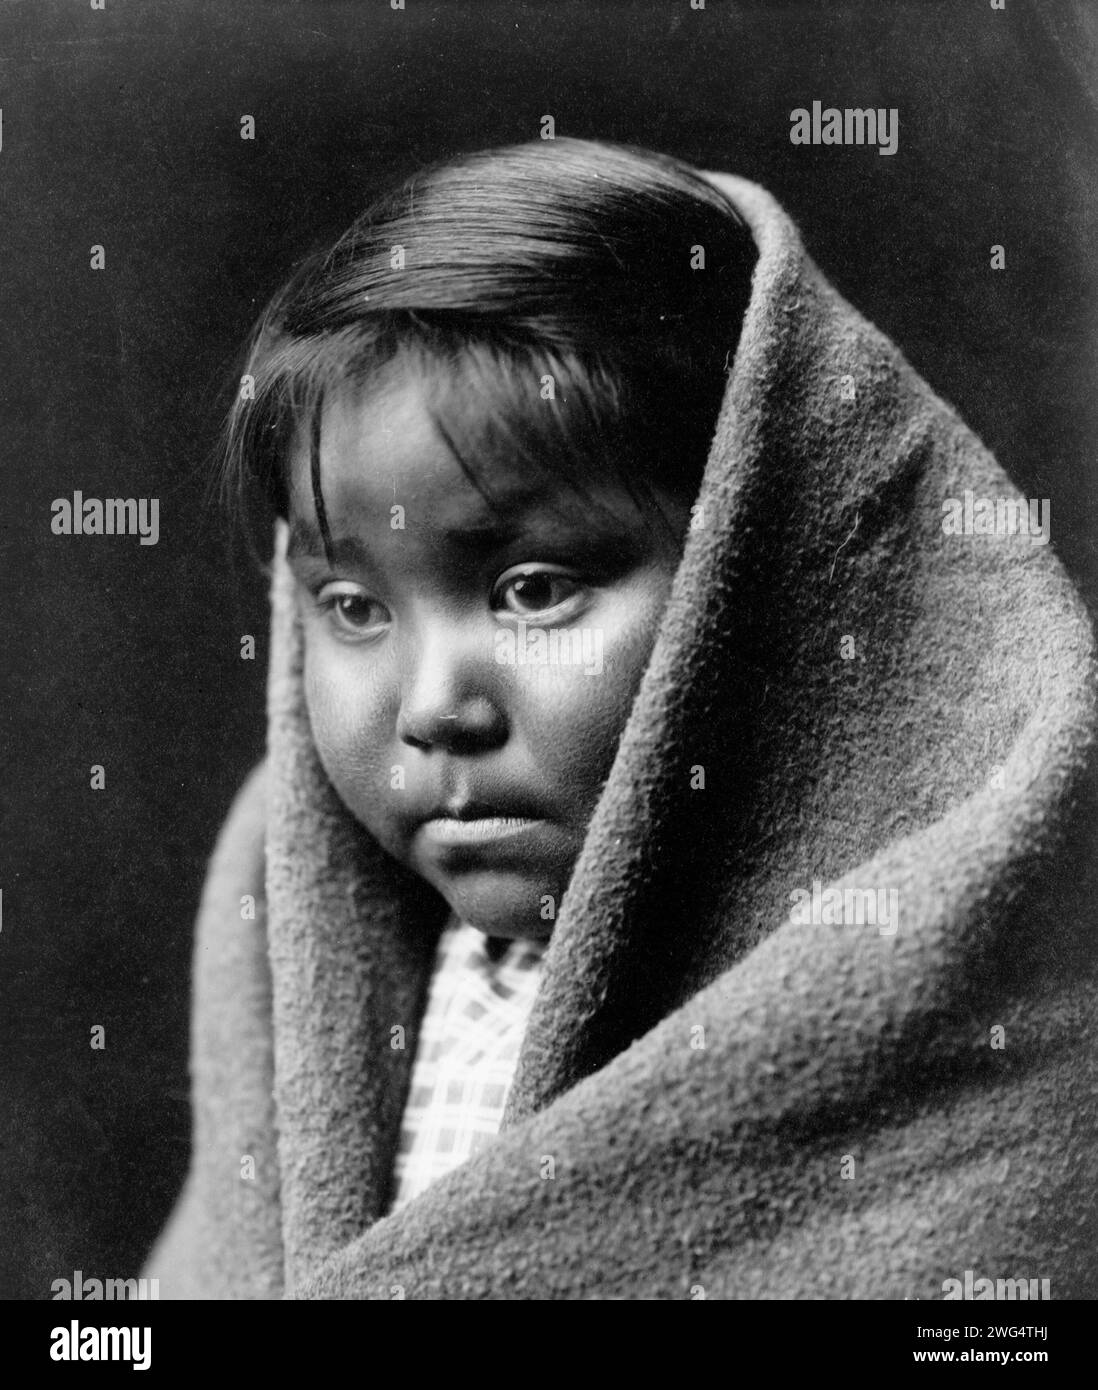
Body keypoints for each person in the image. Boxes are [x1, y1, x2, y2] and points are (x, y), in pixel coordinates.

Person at [145, 138, 1098, 1299]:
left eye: (535, 589)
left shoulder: (951, 1017)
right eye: (352, 605)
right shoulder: (298, 946)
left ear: (758, 577)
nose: (436, 706)